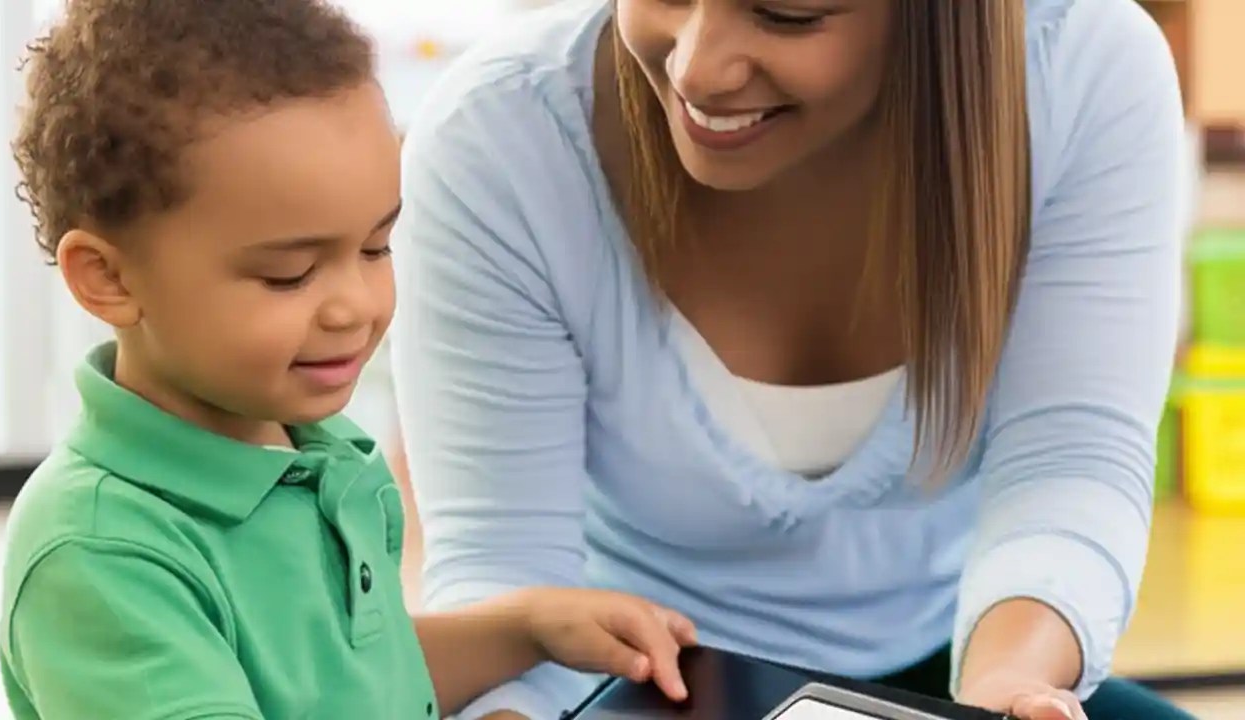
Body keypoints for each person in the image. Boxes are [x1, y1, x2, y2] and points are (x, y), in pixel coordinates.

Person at [390, 0, 1191, 718]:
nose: (697, 68)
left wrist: (1003, 693)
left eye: (787, 16)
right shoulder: (502, 137)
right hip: (623, 682)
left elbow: (1068, 462)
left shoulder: (1080, 72)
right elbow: (504, 574)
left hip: (976, 650)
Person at [0, 2, 698, 719]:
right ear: (109, 278)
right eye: (289, 274)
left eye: (375, 248)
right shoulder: (100, 552)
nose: (355, 307)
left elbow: (354, 685)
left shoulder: (313, 450)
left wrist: (527, 631)